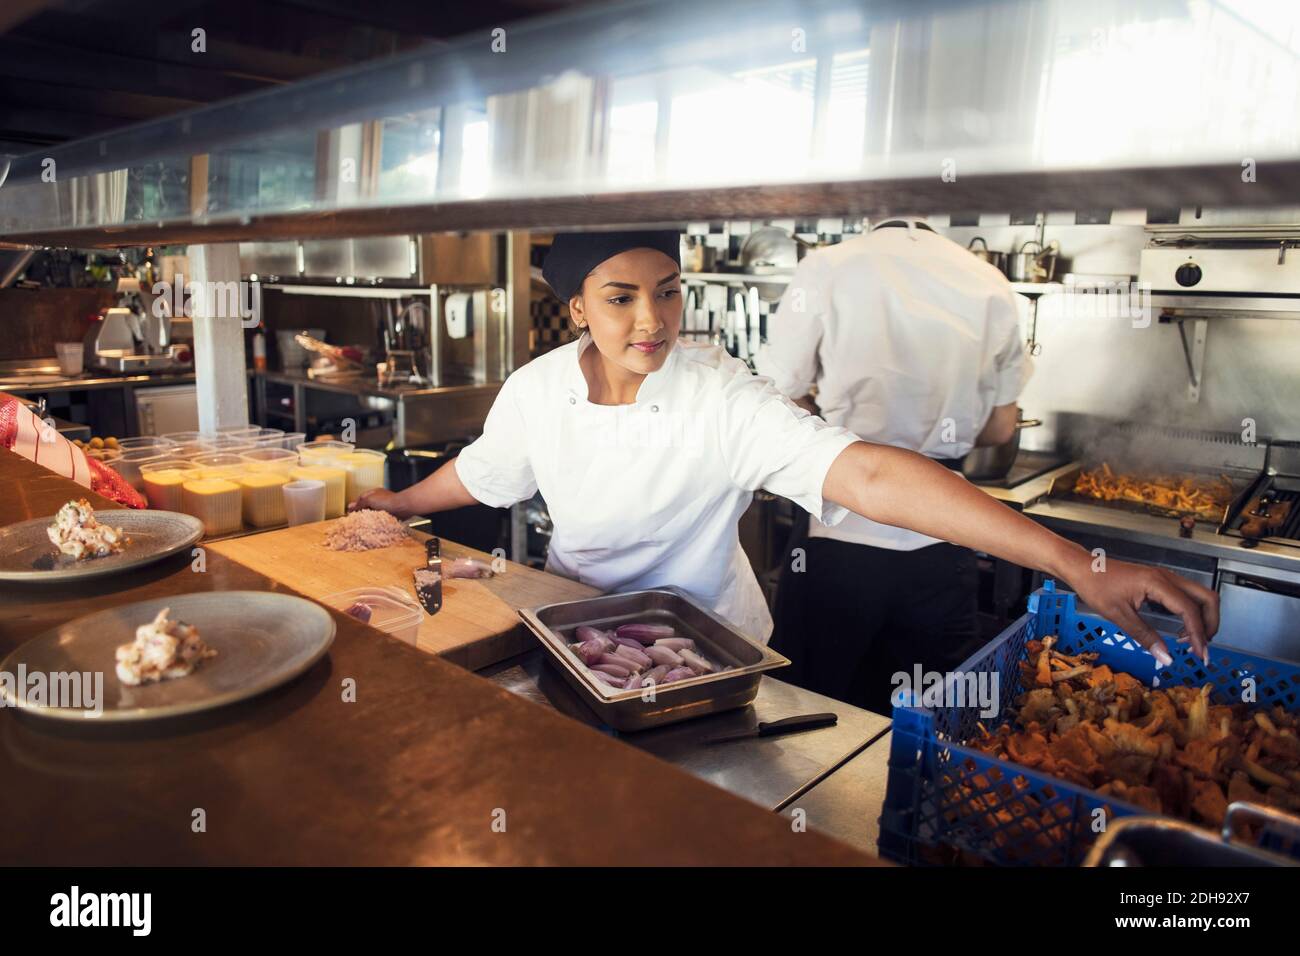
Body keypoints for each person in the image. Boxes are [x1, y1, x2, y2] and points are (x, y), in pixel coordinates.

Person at [353, 230, 1218, 674]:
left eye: (667, 293)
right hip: (575, 632)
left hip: (705, 651)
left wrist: (1077, 562)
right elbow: (485, 471)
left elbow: (869, 472)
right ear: (576, 308)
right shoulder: (539, 387)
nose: (651, 321)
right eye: (619, 299)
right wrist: (393, 507)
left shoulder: (716, 390)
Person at [755, 216, 1039, 712]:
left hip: (840, 534)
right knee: (926, 716)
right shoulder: (988, 280)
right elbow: (999, 429)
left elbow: (778, 399)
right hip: (944, 539)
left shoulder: (827, 266)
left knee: (810, 709)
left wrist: (832, 422)